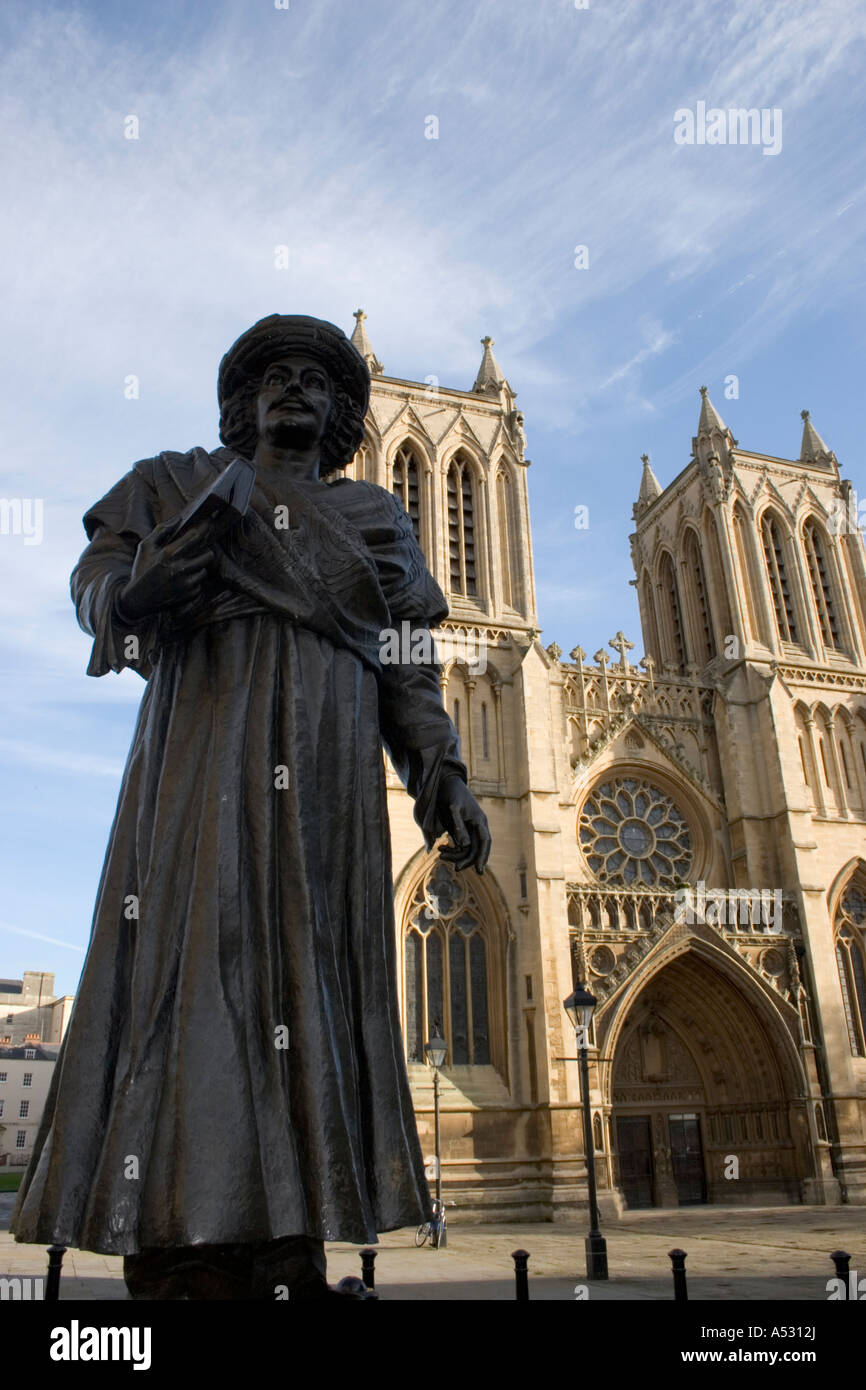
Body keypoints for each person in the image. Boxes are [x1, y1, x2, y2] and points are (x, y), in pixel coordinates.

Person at [11, 314, 490, 1299]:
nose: (295, 390)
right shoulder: (178, 480)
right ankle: (182, 1236)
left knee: (302, 977)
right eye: (275, 375)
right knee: (198, 967)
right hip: (205, 756)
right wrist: (138, 592)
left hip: (324, 777)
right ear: (243, 399)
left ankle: (285, 1239)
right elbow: (96, 576)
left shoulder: (373, 519)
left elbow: (408, 660)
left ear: (339, 410)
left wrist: (440, 772)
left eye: (316, 380)